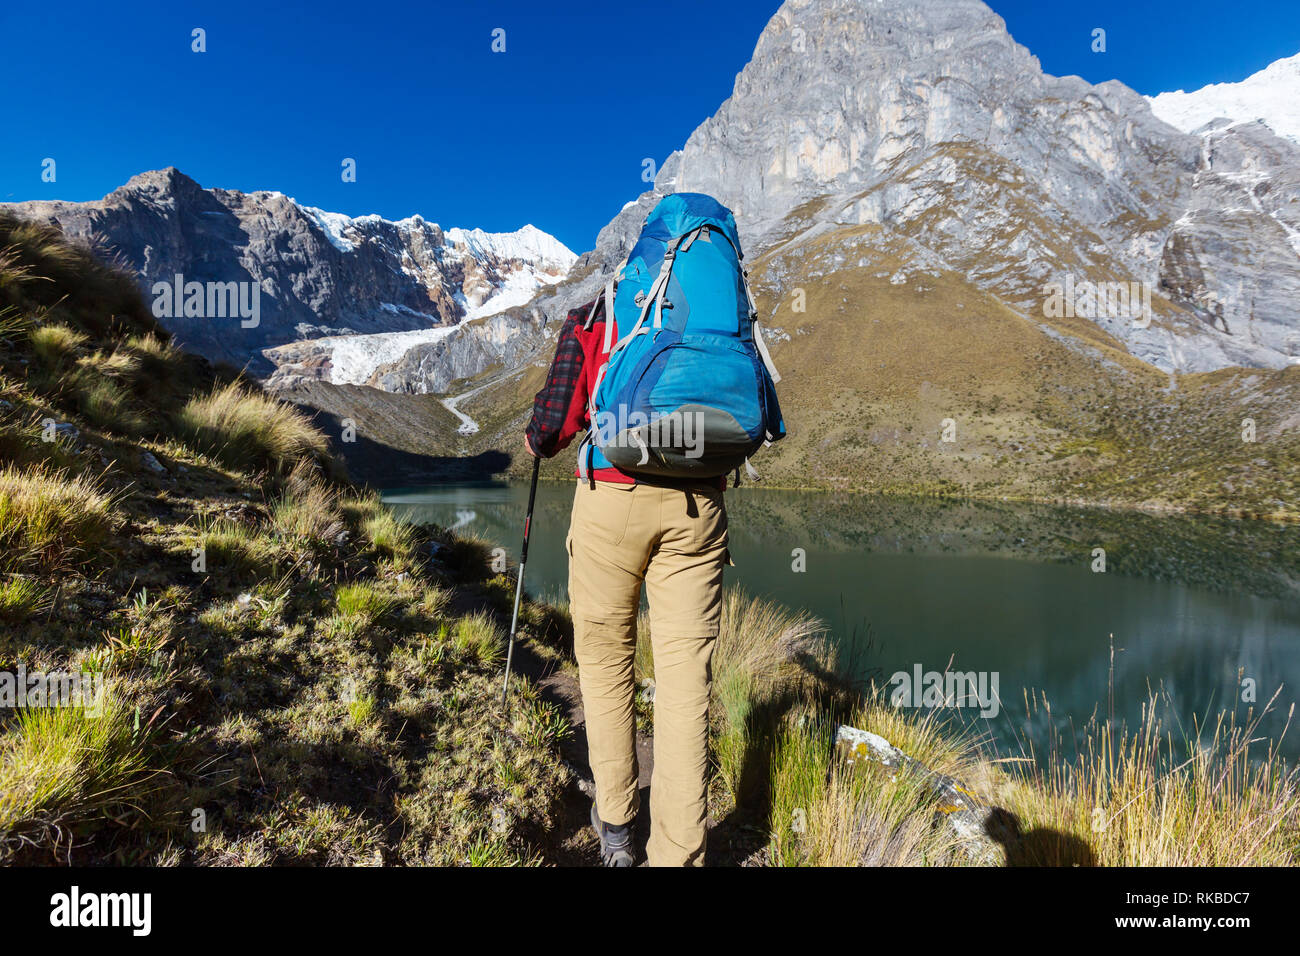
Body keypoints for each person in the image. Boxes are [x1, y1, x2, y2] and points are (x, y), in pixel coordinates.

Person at [524, 285, 730, 867]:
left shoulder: (604, 303)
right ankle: (679, 855)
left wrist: (533, 437)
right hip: (699, 509)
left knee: (608, 665)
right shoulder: (720, 306)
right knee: (687, 681)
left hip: (613, 498)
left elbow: (553, 427)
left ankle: (616, 830)